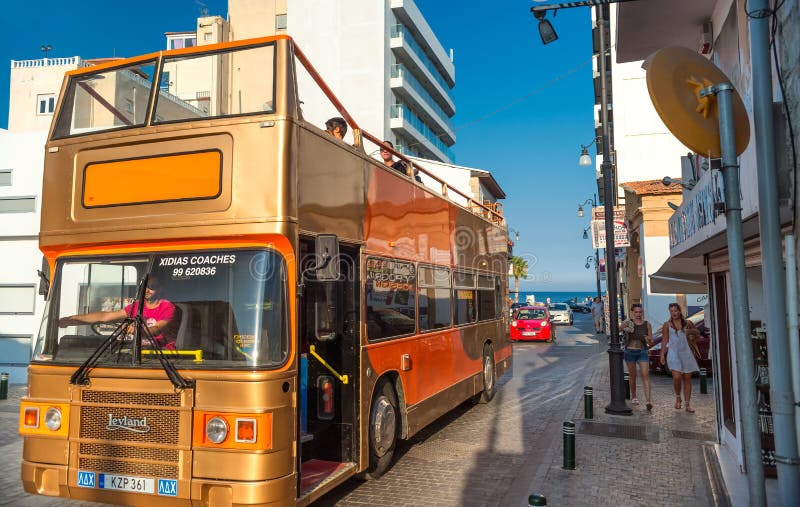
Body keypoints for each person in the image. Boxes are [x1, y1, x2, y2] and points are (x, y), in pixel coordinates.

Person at [58, 277, 178, 350]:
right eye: (144, 287)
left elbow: (157, 328)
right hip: (139, 353)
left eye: (152, 287)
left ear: (160, 289)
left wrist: (137, 330)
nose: (147, 290)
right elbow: (106, 316)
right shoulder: (137, 306)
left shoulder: (167, 306)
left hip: (163, 355)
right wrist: (71, 319)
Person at [660, 302, 699, 413]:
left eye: (675, 311)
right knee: (677, 377)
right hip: (673, 353)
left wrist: (692, 337)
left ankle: (687, 404)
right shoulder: (667, 325)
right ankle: (678, 397)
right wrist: (662, 354)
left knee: (687, 378)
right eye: (671, 311)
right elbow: (665, 340)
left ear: (679, 311)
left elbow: (697, 334)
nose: (674, 313)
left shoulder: (688, 323)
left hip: (686, 353)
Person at [621, 304, 653, 411]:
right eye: (636, 312)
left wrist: (647, 338)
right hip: (629, 352)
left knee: (645, 375)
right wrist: (621, 326)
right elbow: (617, 332)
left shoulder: (647, 324)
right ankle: (634, 397)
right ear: (632, 313)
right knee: (633, 376)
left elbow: (651, 340)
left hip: (642, 351)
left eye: (640, 312)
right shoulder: (628, 323)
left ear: (642, 312)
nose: (638, 314)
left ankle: (648, 401)